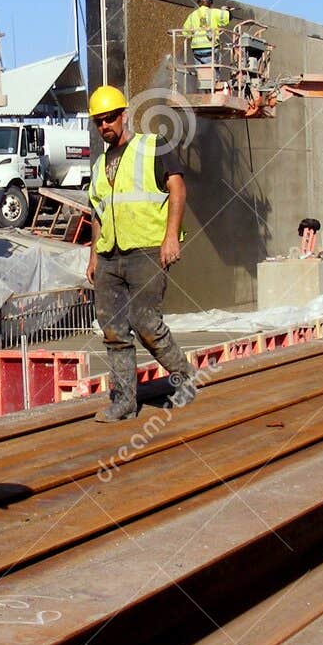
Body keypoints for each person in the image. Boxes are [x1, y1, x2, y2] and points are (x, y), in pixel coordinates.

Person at [85, 84, 196, 422]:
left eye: (109, 118)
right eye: (98, 121)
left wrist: (171, 237)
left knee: (145, 322)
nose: (105, 125)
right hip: (109, 256)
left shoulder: (153, 146)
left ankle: (184, 377)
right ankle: (124, 402)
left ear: (124, 115)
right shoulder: (100, 164)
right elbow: (98, 212)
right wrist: (93, 255)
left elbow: (176, 188)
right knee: (113, 330)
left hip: (146, 249)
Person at [182, 0, 230, 66]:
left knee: (201, 73)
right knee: (213, 72)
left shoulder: (192, 15)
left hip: (196, 48)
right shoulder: (214, 12)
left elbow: (185, 32)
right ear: (210, 3)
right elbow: (227, 18)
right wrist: (226, 10)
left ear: (198, 2)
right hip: (210, 48)